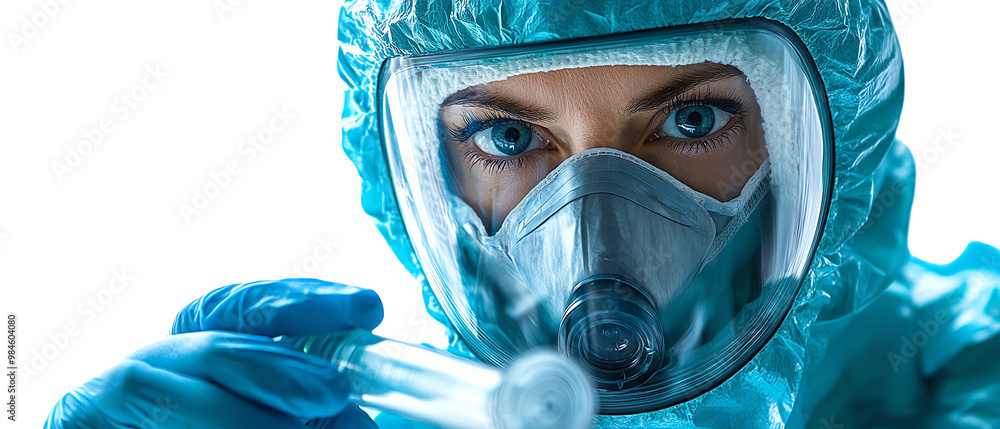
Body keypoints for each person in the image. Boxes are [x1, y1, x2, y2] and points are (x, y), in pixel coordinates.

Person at [46, 0, 1000, 428]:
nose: (594, 234)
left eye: (692, 119)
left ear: (834, 144)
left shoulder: (971, 376)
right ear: (411, 172)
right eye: (506, 140)